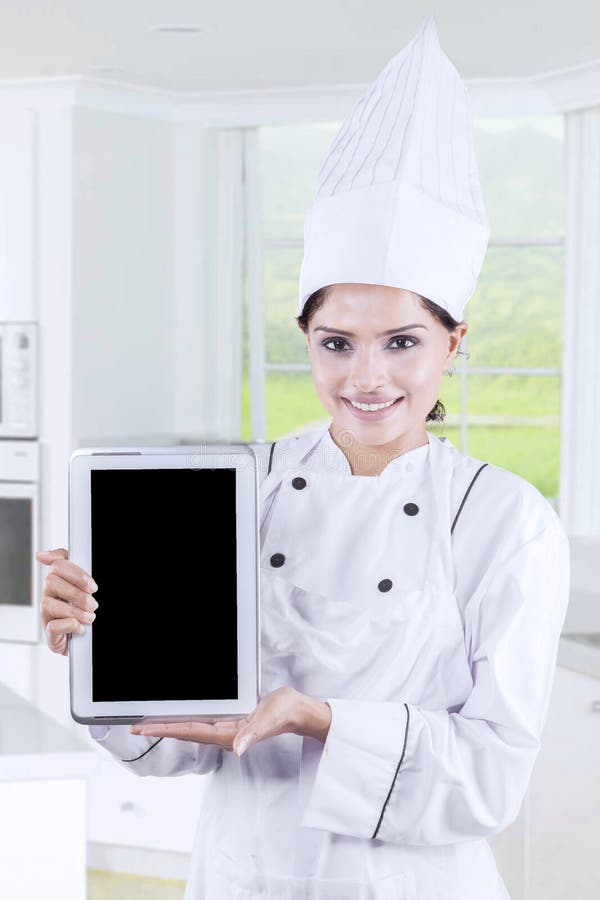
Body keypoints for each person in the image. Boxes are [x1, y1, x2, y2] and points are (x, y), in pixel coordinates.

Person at [37, 15, 570, 900]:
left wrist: (320, 719)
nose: (367, 377)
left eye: (402, 341)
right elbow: (166, 744)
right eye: (336, 344)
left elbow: (492, 776)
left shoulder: (506, 521)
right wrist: (102, 659)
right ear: (305, 341)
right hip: (242, 870)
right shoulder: (231, 494)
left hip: (411, 884)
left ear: (455, 343)